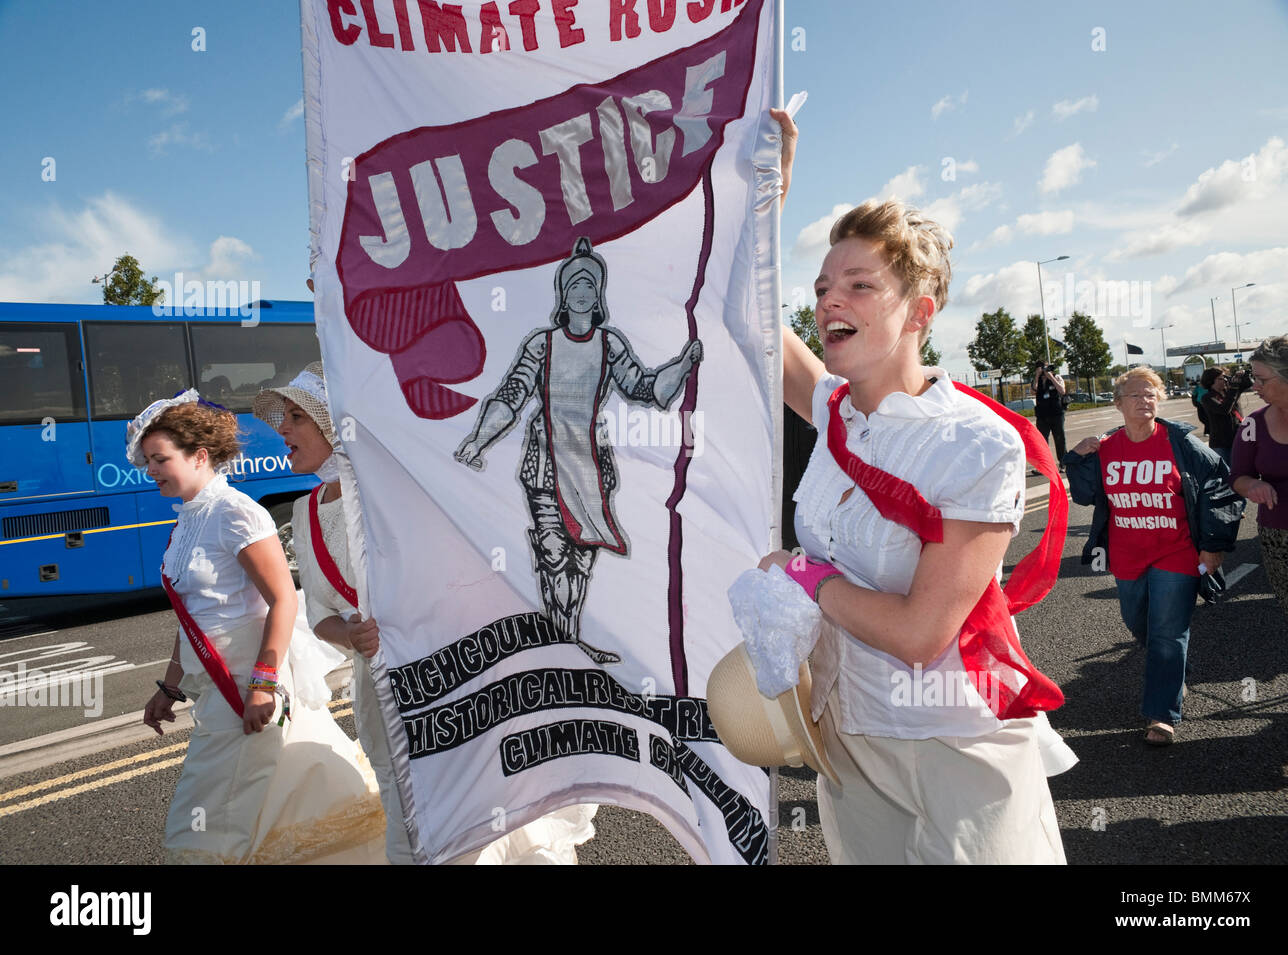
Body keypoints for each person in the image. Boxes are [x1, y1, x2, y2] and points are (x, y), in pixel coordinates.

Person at [762, 109, 1068, 864]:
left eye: (860, 285)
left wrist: (802, 572)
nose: (831, 300)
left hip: (956, 750)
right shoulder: (833, 408)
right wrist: (763, 205)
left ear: (919, 313)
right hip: (850, 739)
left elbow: (918, 631)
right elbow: (750, 315)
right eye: (824, 284)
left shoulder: (978, 442)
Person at [255, 364, 597, 863]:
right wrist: (352, 635)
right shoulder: (304, 514)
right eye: (283, 419)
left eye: (296, 417)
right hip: (380, 691)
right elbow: (320, 611)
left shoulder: (397, 492)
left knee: (468, 809)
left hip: (448, 682)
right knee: (405, 805)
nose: (282, 429)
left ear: (335, 425)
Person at [133, 391, 387, 863]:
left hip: (249, 686)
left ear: (200, 455)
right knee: (279, 811)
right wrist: (169, 687)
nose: (151, 470)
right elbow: (192, 616)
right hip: (217, 691)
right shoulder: (187, 521)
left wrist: (263, 683)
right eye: (148, 460)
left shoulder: (236, 512)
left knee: (202, 822)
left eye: (160, 459)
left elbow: (283, 599)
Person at [455, 237, 702, 666]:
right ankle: (561, 647)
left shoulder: (610, 345)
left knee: (580, 564)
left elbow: (643, 387)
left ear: (599, 294)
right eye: (575, 287)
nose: (583, 294)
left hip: (591, 468)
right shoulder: (542, 345)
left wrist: (681, 366)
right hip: (545, 466)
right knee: (554, 557)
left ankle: (566, 642)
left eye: (590, 286)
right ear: (563, 295)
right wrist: (479, 439)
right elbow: (511, 395)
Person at [1064, 367, 1244, 746]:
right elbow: (1083, 495)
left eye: (1150, 394)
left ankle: (1161, 716)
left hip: (1176, 553)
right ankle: (1173, 674)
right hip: (1127, 557)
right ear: (1118, 404)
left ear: (1159, 400)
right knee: (1138, 624)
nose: (1144, 401)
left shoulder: (1181, 445)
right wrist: (1075, 458)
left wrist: (1213, 545)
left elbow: (1221, 487)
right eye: (1135, 395)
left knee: (1167, 632)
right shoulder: (1106, 448)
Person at [1230, 335, 1288, 631]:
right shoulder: (1253, 426)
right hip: (1282, 541)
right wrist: (1252, 486)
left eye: (1260, 379)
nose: (1253, 386)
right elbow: (1237, 477)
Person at [1198, 366, 1244, 466]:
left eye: (1225, 377)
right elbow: (1224, 409)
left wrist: (1241, 376)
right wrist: (1233, 388)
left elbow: (1247, 384)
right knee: (1225, 475)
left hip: (1237, 439)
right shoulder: (1207, 398)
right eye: (1221, 378)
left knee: (1239, 470)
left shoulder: (1229, 392)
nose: (1224, 380)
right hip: (1220, 444)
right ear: (1211, 381)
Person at [1034, 361, 1068, 471]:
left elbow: (1062, 391)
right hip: (1042, 415)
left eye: (1046, 367)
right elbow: (1033, 389)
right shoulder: (1037, 379)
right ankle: (1044, 466)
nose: (1045, 370)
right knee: (1042, 441)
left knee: (1059, 439)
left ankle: (1063, 463)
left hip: (1056, 413)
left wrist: (1051, 378)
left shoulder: (1056, 377)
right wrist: (1037, 375)